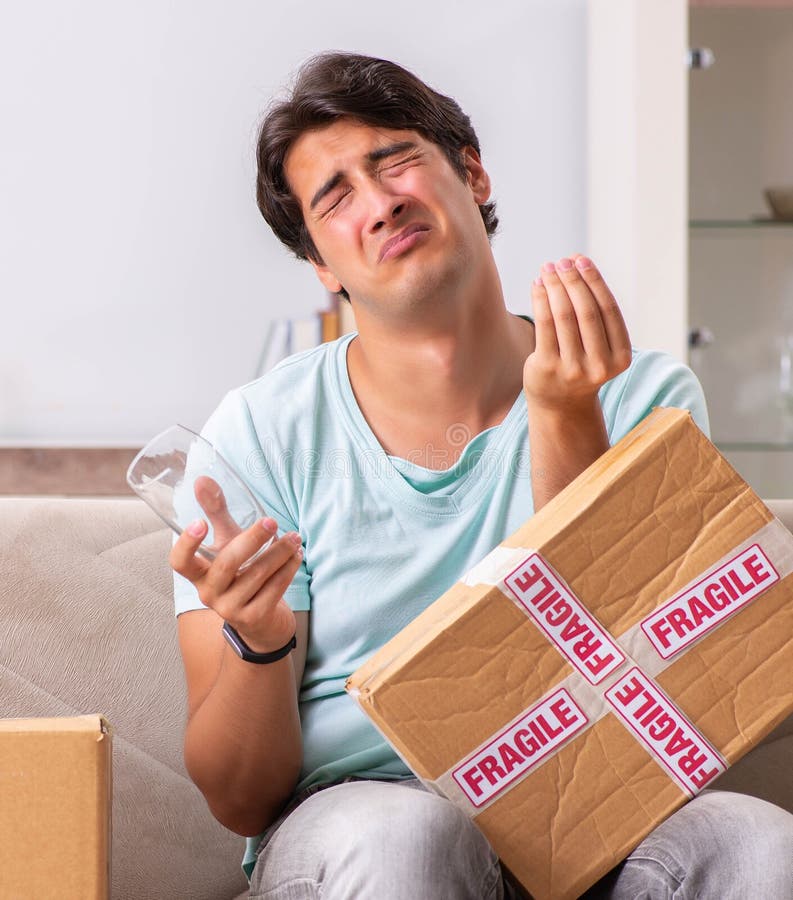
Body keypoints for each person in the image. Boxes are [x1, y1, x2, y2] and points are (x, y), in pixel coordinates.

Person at [170, 52, 793, 899]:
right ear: (321, 263)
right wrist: (260, 641)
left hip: (597, 806)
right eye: (336, 196)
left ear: (469, 171)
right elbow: (240, 800)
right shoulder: (256, 436)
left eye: (395, 159)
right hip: (364, 819)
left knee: (758, 841)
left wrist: (568, 418)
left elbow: (651, 673)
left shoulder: (641, 393)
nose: (381, 200)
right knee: (408, 837)